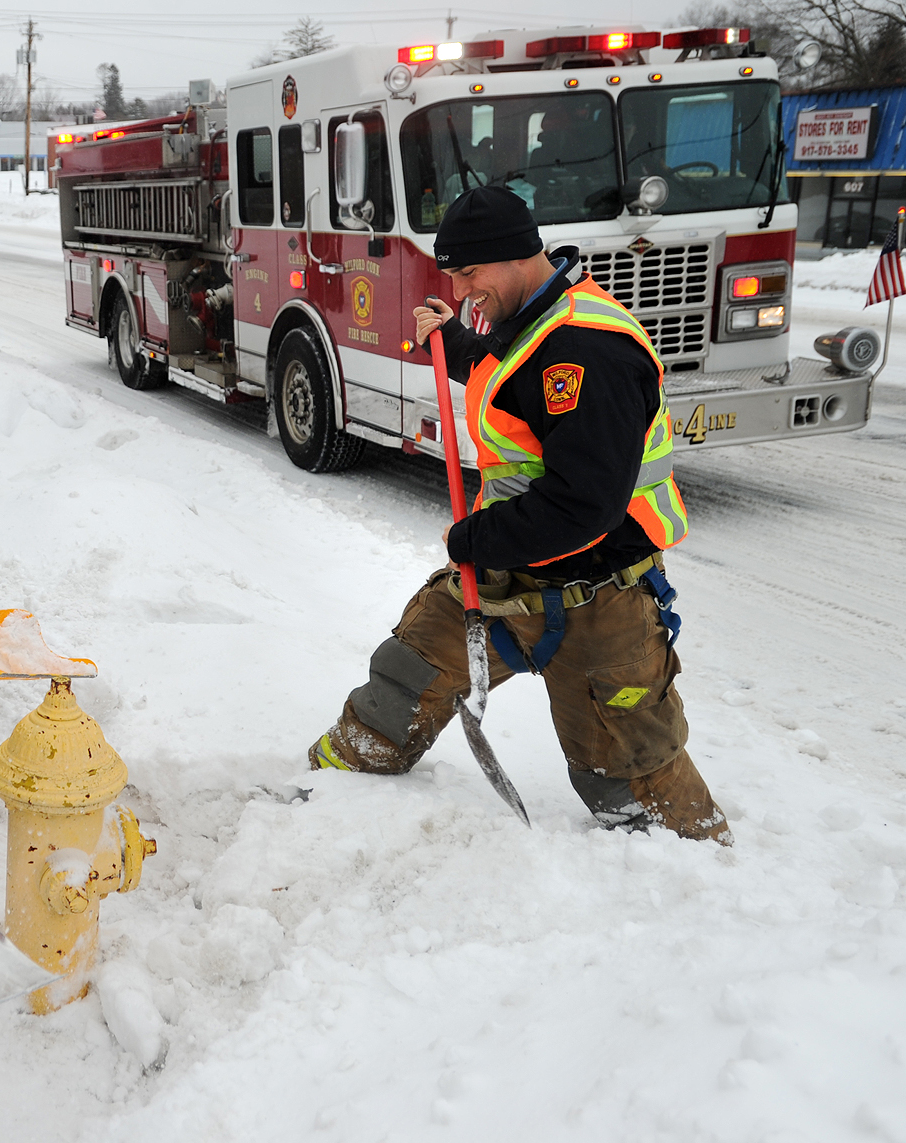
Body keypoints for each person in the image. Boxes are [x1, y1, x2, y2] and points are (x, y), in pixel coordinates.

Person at [309, 185, 729, 844]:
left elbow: (582, 505)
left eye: (469, 273)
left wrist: (472, 536)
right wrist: (454, 341)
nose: (460, 286)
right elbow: (518, 380)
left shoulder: (592, 351)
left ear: (514, 256)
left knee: (623, 767)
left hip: (600, 596)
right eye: (453, 273)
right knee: (408, 669)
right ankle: (331, 786)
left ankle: (695, 875)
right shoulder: (534, 321)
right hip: (513, 576)